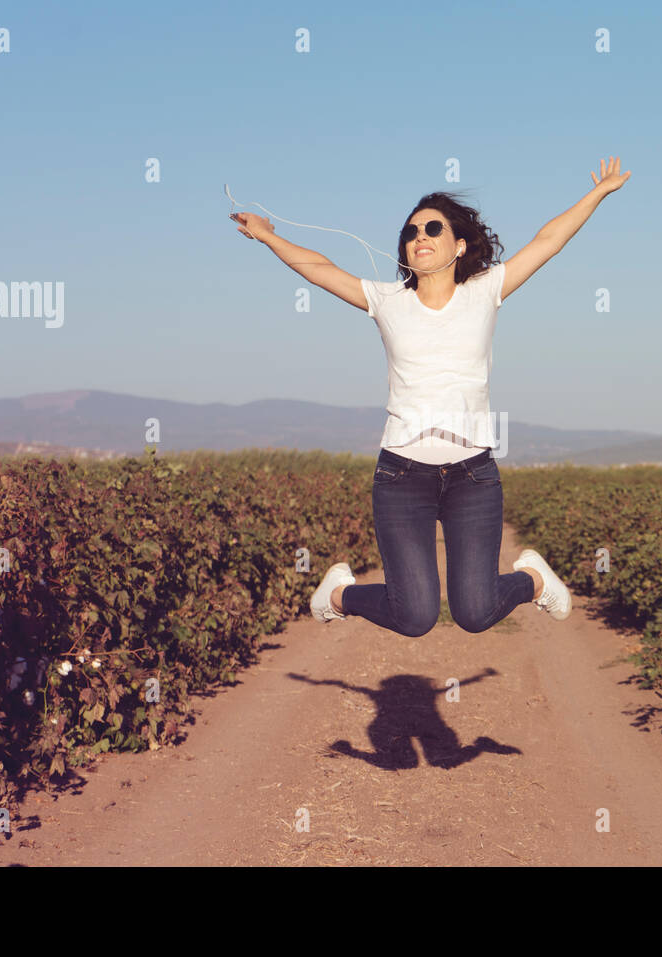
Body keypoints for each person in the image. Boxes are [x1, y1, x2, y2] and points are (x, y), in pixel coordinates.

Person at [232, 157, 632, 636]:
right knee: (416, 616)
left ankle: (531, 578)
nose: (419, 235)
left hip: (473, 475)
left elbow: (548, 241)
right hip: (402, 474)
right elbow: (320, 270)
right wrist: (267, 235)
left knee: (475, 612)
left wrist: (600, 192)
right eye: (411, 230)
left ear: (458, 245)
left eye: (433, 227)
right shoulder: (387, 300)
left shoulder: (485, 290)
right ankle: (337, 593)